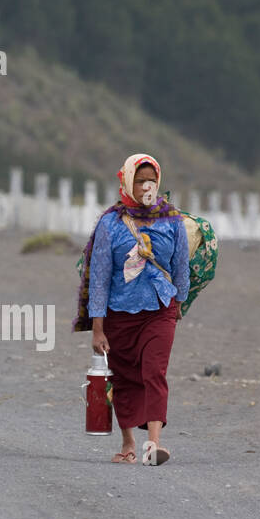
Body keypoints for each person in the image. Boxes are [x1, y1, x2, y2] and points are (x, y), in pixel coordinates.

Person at [72, 153, 189, 465]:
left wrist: (179, 302)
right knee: (123, 378)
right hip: (119, 313)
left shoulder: (172, 220)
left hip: (160, 308)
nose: (146, 186)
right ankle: (128, 444)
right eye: (140, 180)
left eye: (151, 180)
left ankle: (153, 444)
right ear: (126, 181)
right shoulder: (110, 224)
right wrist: (97, 327)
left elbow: (181, 268)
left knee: (154, 372)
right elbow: (98, 278)